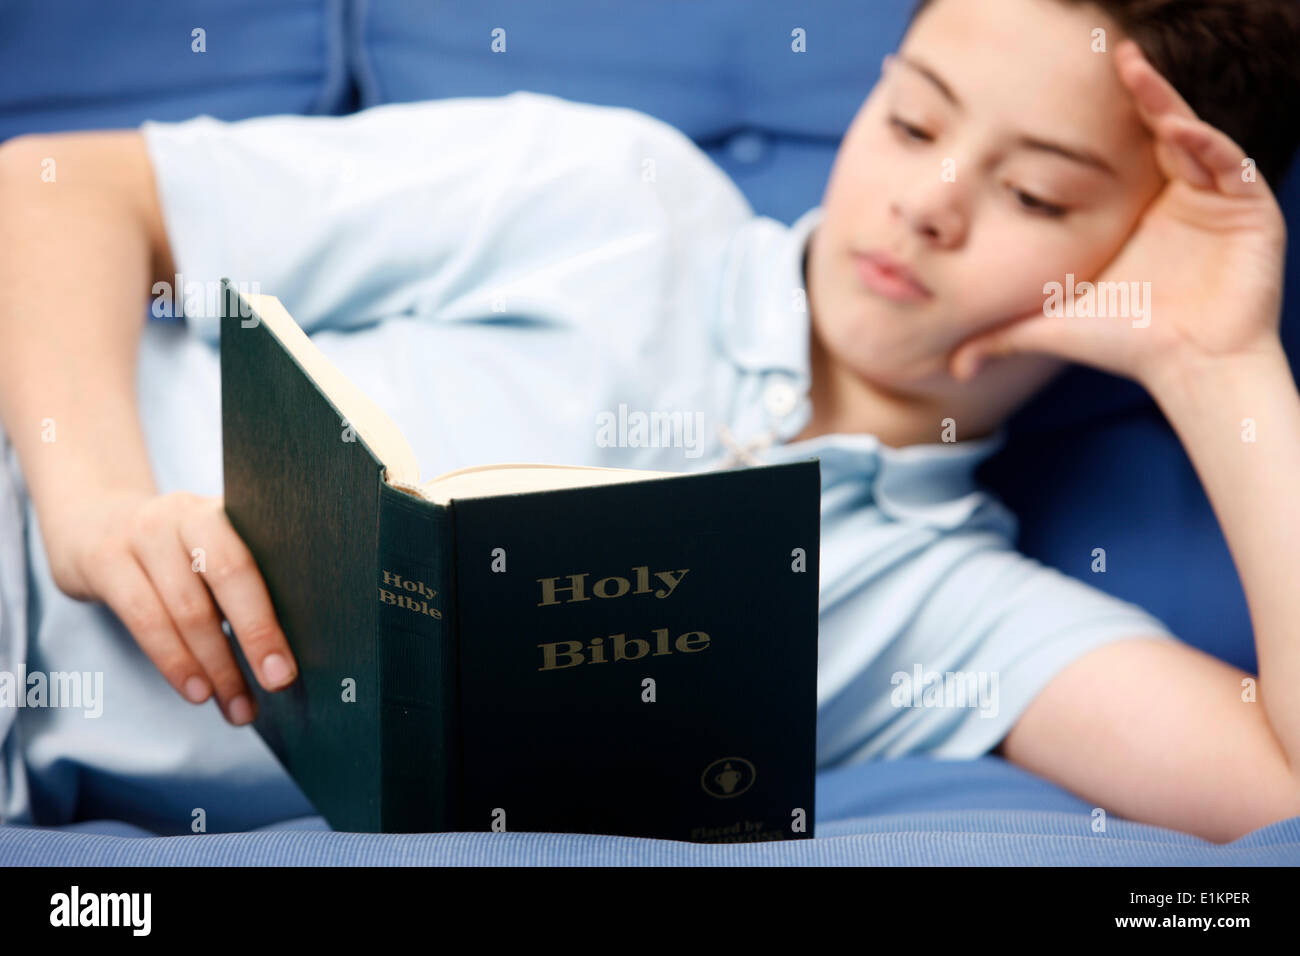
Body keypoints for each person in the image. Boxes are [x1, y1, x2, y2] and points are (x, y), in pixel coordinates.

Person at [1, 0, 1297, 842]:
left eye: (1033, 193)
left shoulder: (947, 610)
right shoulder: (615, 197)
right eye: (909, 119)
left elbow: (1281, 792)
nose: (927, 204)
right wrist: (95, 499)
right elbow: (55, 190)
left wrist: (1216, 357)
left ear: (1140, 242)